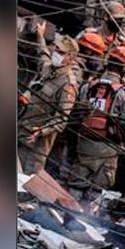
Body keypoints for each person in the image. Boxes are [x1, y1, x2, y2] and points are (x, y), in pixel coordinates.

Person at [72, 46, 125, 192]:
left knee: (75, 186)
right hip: (107, 151)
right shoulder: (124, 93)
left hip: (84, 144)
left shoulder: (87, 86)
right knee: (97, 192)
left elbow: (78, 113)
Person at [19, 27, 80, 174]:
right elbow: (43, 54)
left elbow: (61, 120)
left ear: (70, 58)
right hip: (20, 130)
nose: (56, 54)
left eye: (61, 52)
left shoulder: (68, 84)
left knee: (25, 183)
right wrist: (40, 36)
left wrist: (42, 131)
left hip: (35, 144)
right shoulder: (48, 69)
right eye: (56, 49)